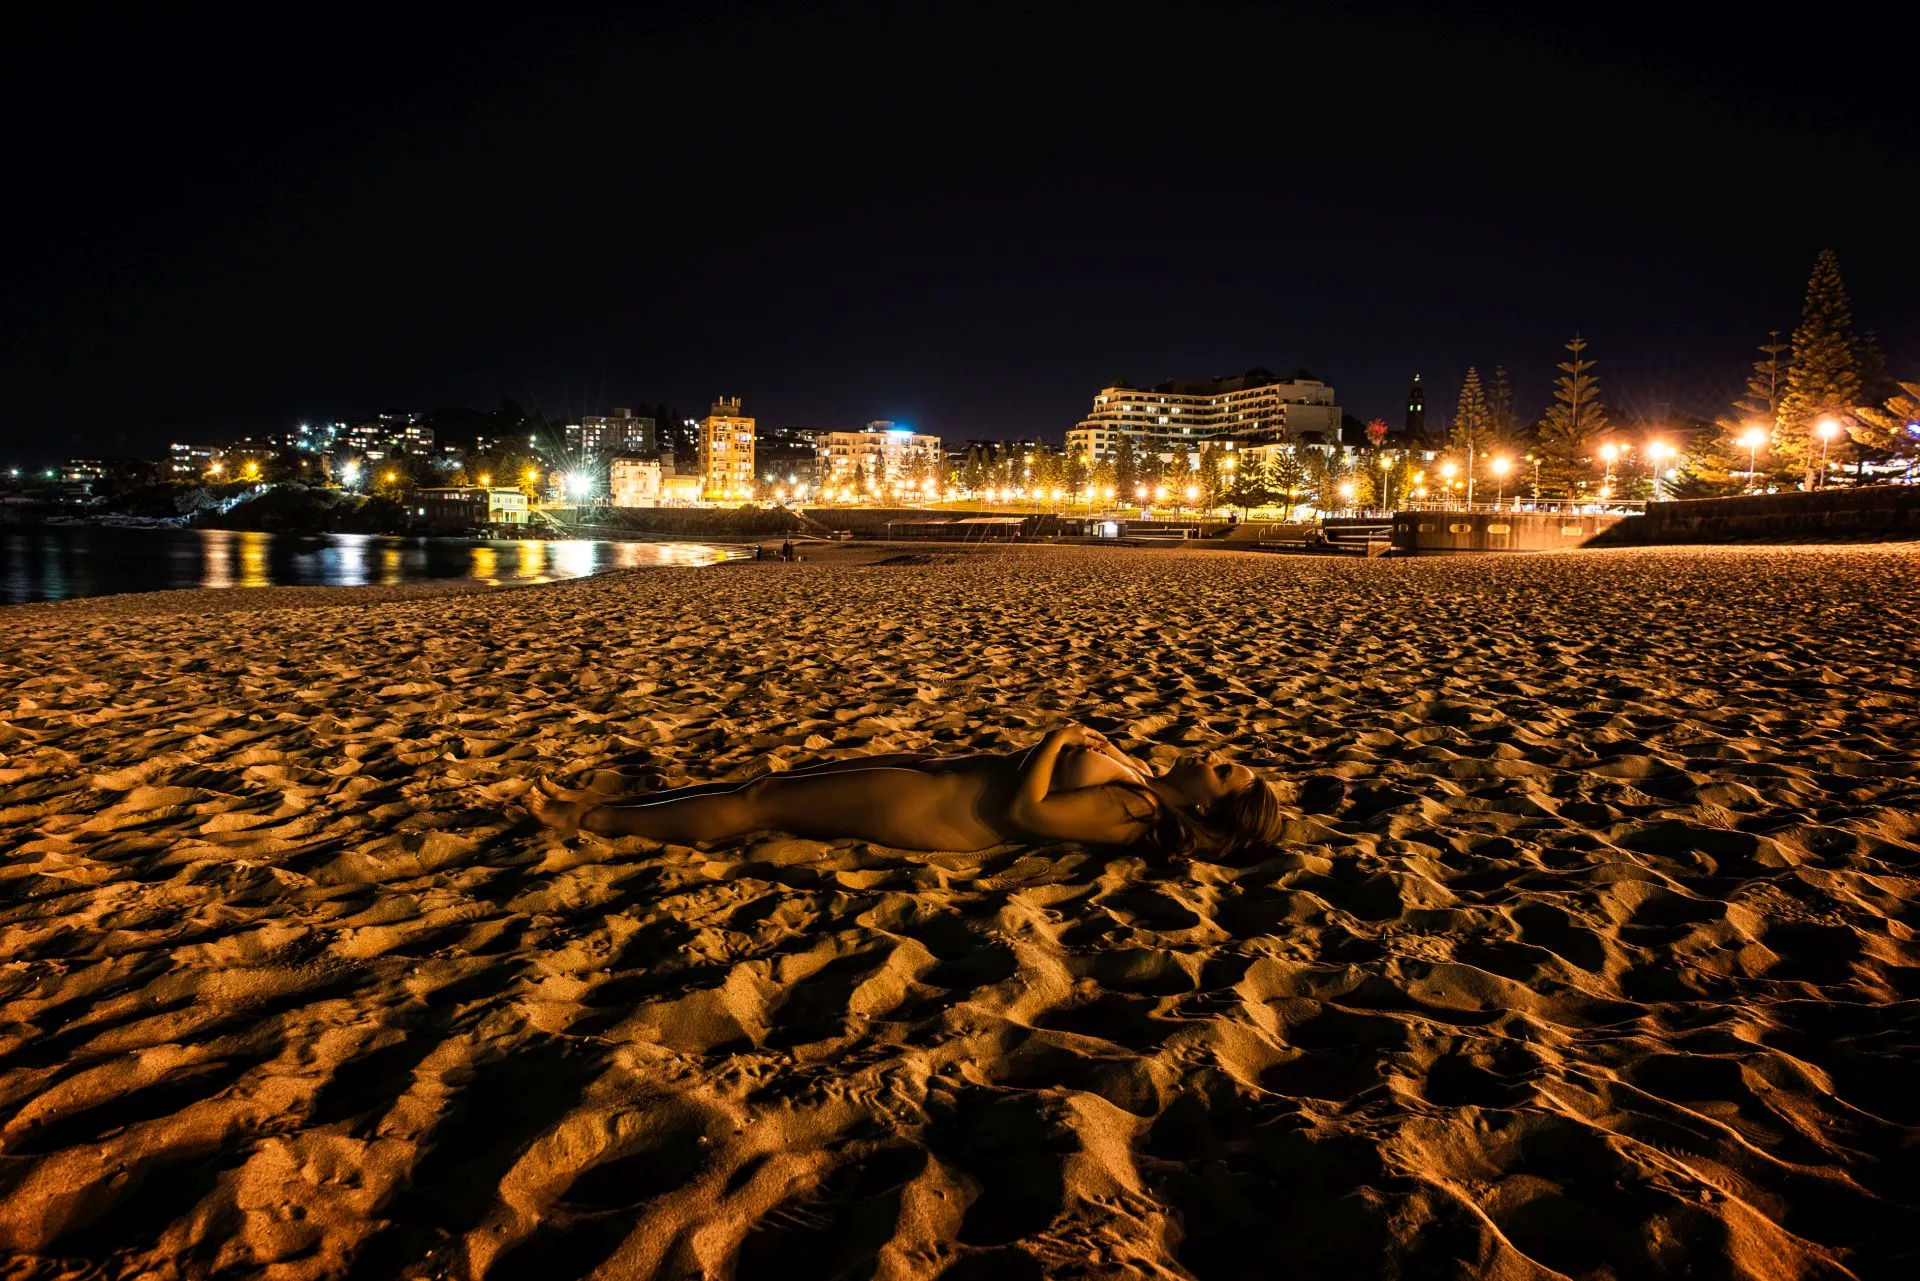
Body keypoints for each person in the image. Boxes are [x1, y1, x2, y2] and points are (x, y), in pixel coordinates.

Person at [525, 724, 1285, 860]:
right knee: (765, 782)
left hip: (937, 812)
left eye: (1223, 772)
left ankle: (587, 817)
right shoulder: (1146, 784)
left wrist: (1055, 740)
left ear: (1208, 808)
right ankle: (604, 809)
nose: (1214, 757)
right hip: (943, 776)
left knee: (765, 805)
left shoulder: (1136, 812)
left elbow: (1027, 813)